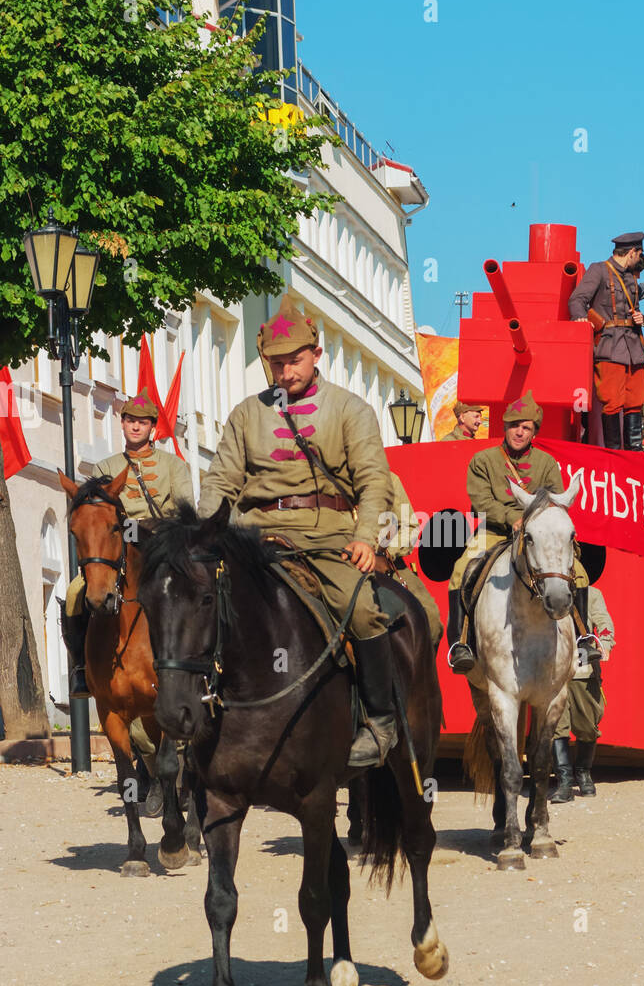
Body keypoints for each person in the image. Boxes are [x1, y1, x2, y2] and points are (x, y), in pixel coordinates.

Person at [197, 298, 398, 768]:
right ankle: (194, 717)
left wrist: (365, 538)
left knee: (365, 611)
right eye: (277, 363)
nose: (286, 372)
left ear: (317, 353)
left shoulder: (352, 409)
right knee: (197, 605)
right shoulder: (246, 414)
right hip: (254, 536)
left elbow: (374, 482)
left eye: (295, 361)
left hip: (326, 535)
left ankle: (379, 720)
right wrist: (204, 537)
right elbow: (221, 482)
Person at [61, 388, 195, 698]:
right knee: (72, 594)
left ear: (153, 427)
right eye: (130, 421)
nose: (136, 427)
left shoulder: (173, 466)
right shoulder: (104, 468)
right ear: (122, 424)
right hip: (117, 552)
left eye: (143, 422)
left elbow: (187, 514)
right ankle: (81, 669)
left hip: (161, 549)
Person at [446, 389, 589, 674]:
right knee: (461, 570)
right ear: (505, 426)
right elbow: (481, 502)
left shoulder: (547, 464)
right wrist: (512, 518)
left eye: (526, 427)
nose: (519, 432)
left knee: (580, 571)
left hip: (538, 534)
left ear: (534, 432)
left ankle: (584, 638)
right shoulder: (483, 461)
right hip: (495, 531)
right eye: (514, 425)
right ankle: (460, 644)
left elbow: (556, 502)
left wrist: (533, 522)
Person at [568, 232, 644, 449]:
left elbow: (638, 292)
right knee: (612, 401)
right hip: (610, 346)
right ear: (632, 252)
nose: (639, 256)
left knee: (635, 400)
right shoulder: (599, 270)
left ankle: (633, 453)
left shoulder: (629, 276)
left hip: (634, 348)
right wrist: (581, 319)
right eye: (638, 253)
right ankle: (614, 454)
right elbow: (577, 299)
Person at [550, 583, 615, 801]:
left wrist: (604, 643)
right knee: (557, 726)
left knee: (588, 726)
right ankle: (564, 781)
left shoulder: (592, 593)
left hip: (583, 666)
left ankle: (584, 773)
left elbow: (604, 622)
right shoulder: (542, 593)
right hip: (552, 669)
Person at [378, 470, 444, 649]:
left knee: (430, 619)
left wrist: (387, 553)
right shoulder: (330, 478)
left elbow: (410, 526)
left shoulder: (389, 478)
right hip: (345, 561)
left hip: (387, 562)